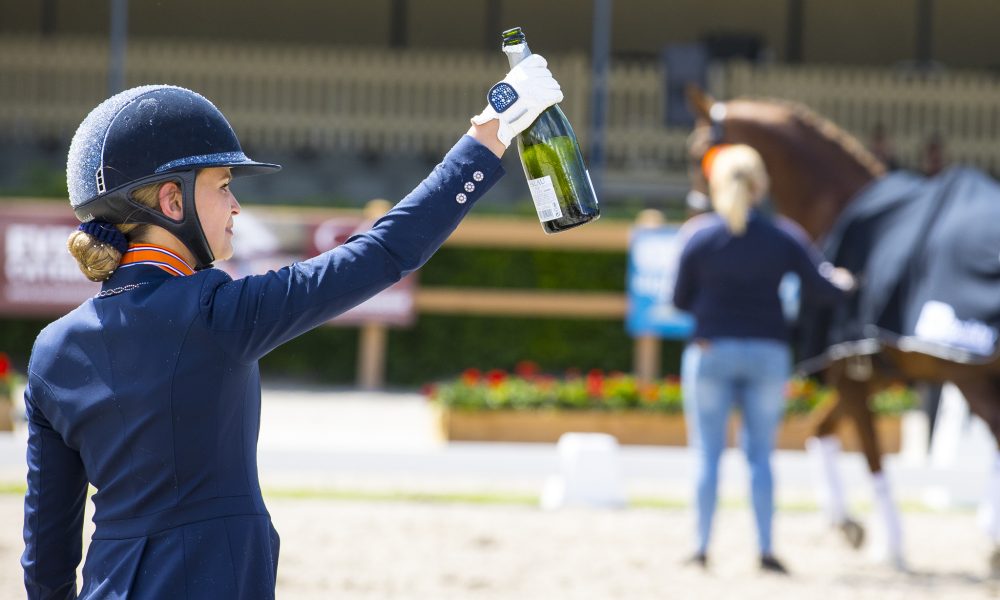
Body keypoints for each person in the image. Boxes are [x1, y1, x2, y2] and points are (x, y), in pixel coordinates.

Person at [22, 55, 563, 599]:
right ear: (171, 199)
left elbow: (46, 559)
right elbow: (384, 251)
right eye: (224, 185)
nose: (235, 205)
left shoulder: (51, 351)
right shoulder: (216, 313)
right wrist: (490, 130)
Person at [672, 144, 854, 574]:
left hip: (711, 350)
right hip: (767, 353)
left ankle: (700, 548)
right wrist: (847, 280)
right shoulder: (783, 235)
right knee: (760, 457)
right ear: (760, 186)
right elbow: (822, 288)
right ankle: (766, 548)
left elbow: (680, 300)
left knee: (707, 455)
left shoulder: (698, 235)